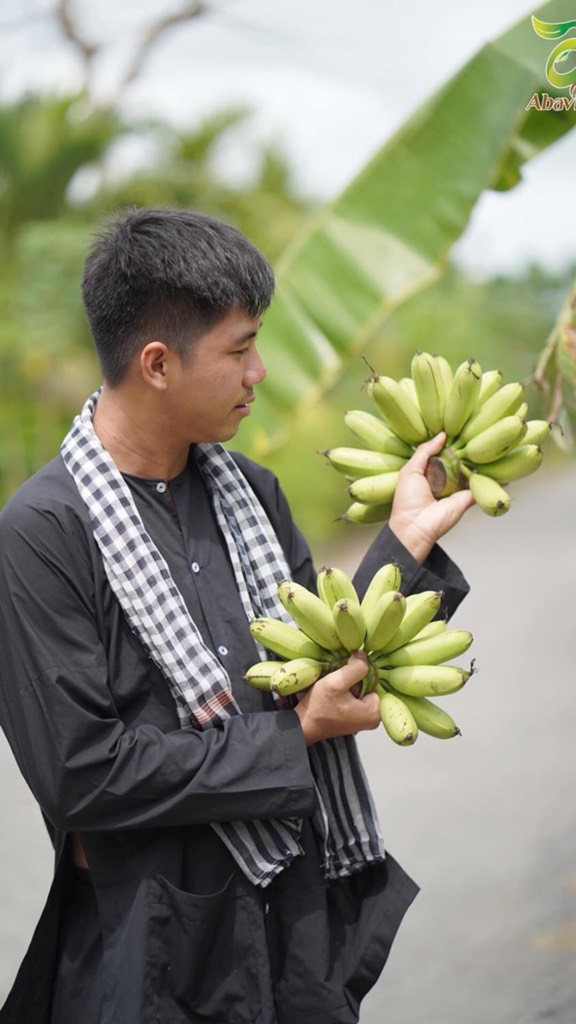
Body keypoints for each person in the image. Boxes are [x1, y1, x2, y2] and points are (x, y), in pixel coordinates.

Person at [0, 207, 474, 1024]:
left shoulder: (249, 493)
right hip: (151, 949)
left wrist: (405, 544)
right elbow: (84, 775)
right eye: (240, 348)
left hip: (292, 918)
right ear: (156, 363)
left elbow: (319, 662)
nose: (259, 373)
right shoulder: (44, 533)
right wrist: (295, 738)